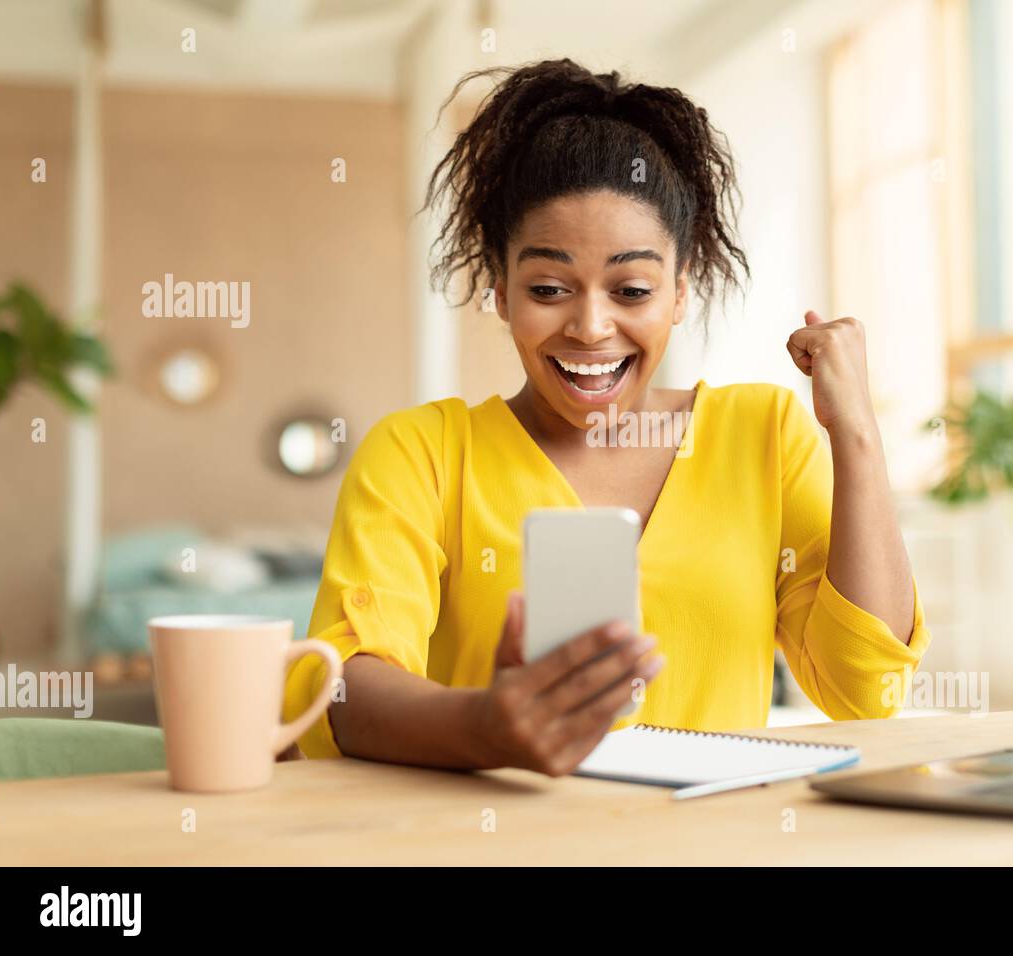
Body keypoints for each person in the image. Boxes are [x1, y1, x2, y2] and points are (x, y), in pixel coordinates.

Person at [283, 58, 931, 775]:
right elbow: (339, 688)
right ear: (501, 293)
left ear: (679, 293)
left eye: (630, 288)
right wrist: (486, 727)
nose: (591, 327)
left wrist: (858, 436)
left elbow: (866, 688)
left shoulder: (766, 433)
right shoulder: (422, 452)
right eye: (550, 286)